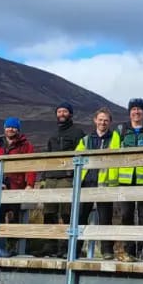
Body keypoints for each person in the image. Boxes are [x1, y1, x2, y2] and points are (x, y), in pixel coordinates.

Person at [0, 117, 37, 258]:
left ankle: (13, 248)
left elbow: (31, 165)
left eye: (13, 127)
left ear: (18, 129)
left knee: (13, 217)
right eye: (8, 127)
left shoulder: (26, 145)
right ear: (4, 128)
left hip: (16, 186)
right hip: (0, 185)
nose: (10, 129)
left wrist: (29, 184)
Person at [114, 98, 143, 261]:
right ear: (129, 112)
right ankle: (128, 250)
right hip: (125, 182)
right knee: (126, 215)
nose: (136, 112)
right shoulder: (120, 130)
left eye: (139, 109)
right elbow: (112, 156)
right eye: (133, 109)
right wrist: (112, 181)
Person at [39, 100, 86, 257]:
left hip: (68, 177)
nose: (62, 114)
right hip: (51, 177)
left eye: (65, 111)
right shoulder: (53, 134)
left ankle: (65, 248)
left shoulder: (78, 133)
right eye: (59, 111)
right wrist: (43, 177)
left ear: (70, 114)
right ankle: (49, 246)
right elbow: (48, 156)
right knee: (49, 213)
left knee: (67, 214)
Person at [75, 108, 118, 260]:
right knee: (80, 217)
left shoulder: (115, 138)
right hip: (87, 181)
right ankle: (75, 249)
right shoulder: (86, 140)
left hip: (104, 182)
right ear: (95, 120)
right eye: (100, 119)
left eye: (106, 120)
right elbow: (77, 157)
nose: (103, 122)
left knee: (105, 218)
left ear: (110, 122)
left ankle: (107, 250)